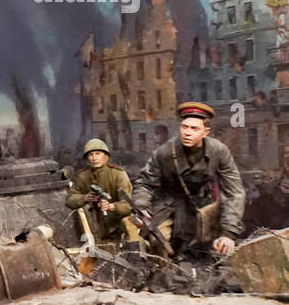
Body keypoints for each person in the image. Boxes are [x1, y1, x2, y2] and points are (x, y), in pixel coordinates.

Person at [133, 102, 244, 256]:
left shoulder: (218, 151)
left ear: (206, 132)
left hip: (202, 206)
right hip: (170, 206)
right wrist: (141, 207)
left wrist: (229, 233)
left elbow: (234, 193)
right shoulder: (165, 152)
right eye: (184, 127)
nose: (187, 133)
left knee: (216, 249)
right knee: (158, 243)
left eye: (194, 128)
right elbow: (144, 182)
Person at [64, 138, 133, 247]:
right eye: (91, 155)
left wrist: (111, 206)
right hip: (94, 225)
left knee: (129, 224)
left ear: (106, 156)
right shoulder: (83, 176)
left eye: (98, 154)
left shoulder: (118, 174)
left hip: (117, 224)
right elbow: (69, 200)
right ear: (87, 158)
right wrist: (84, 198)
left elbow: (129, 205)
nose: (94, 158)